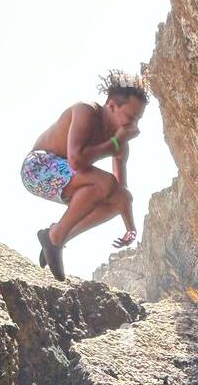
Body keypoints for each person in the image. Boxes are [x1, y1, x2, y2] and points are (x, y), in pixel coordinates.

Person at [20, 69, 148, 281]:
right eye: (130, 117)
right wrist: (115, 143)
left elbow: (118, 191)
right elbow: (76, 160)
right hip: (37, 168)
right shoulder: (86, 112)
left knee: (119, 198)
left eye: (138, 119)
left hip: (67, 179)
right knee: (103, 183)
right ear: (112, 106)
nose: (134, 126)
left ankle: (55, 237)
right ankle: (55, 237)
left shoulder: (119, 143)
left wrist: (130, 227)